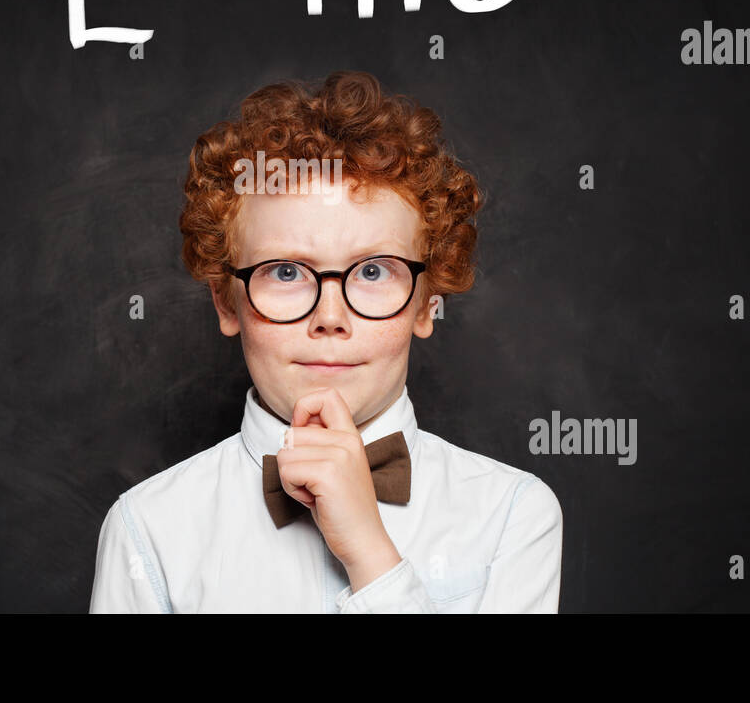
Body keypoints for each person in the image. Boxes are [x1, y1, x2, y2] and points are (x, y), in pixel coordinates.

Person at [88, 71, 562, 612]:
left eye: (374, 272)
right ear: (227, 302)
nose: (330, 317)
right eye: (286, 272)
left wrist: (369, 553)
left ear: (427, 301)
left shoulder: (514, 515)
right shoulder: (147, 528)